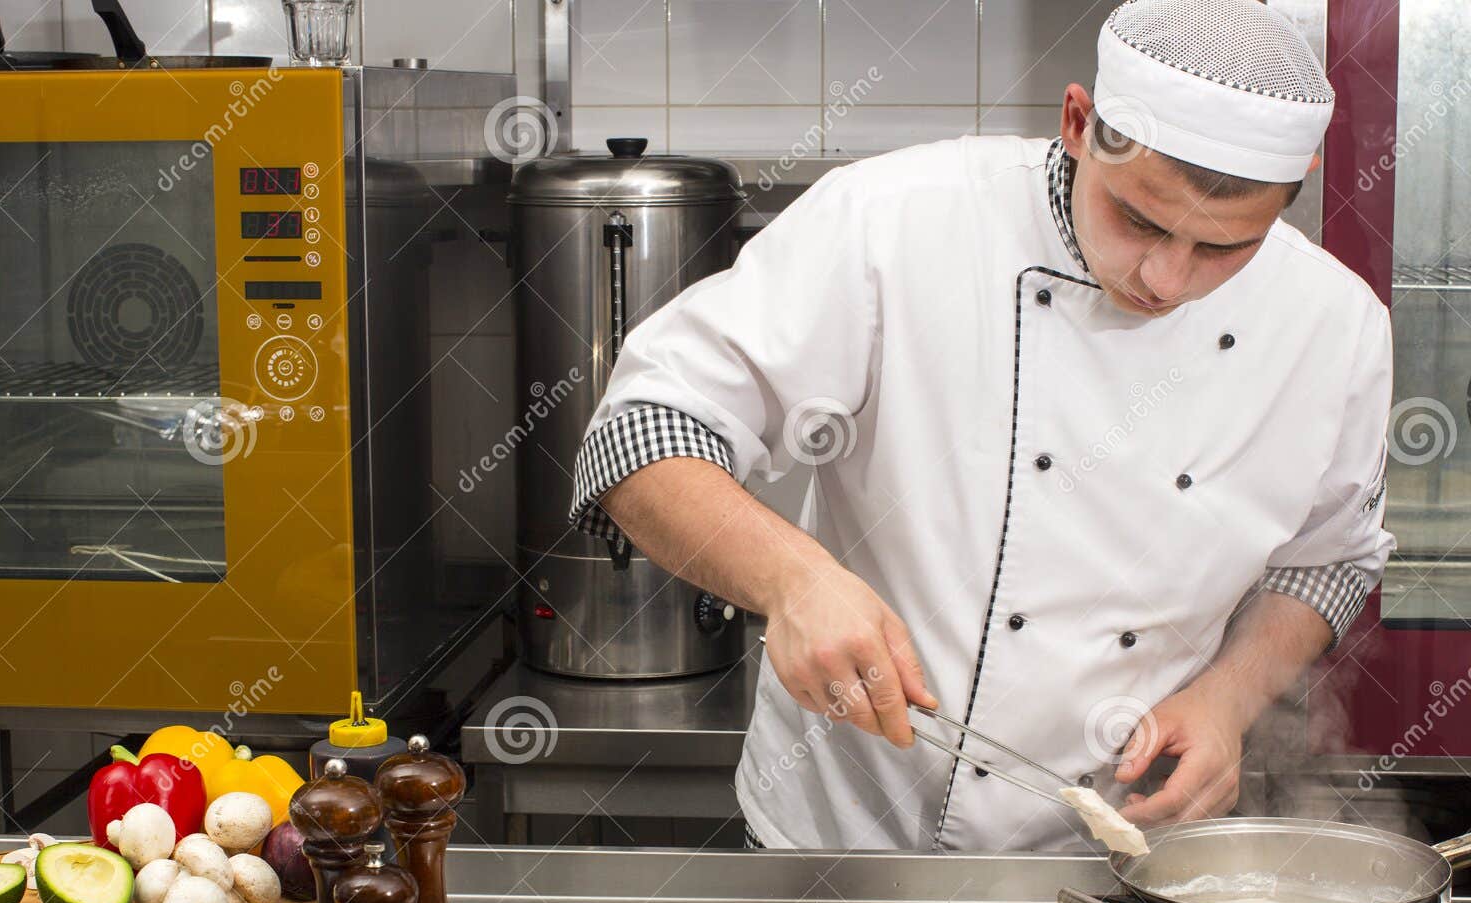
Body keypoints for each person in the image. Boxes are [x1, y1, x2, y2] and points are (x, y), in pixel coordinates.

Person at [567, 0, 1394, 851]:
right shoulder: (896, 219)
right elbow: (637, 434)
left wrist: (1228, 698)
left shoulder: (1335, 325)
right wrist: (794, 582)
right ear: (1078, 124)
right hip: (845, 841)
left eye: (1225, 249)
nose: (1168, 277)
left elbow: (1327, 559)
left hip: (1116, 859)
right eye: (1140, 220)